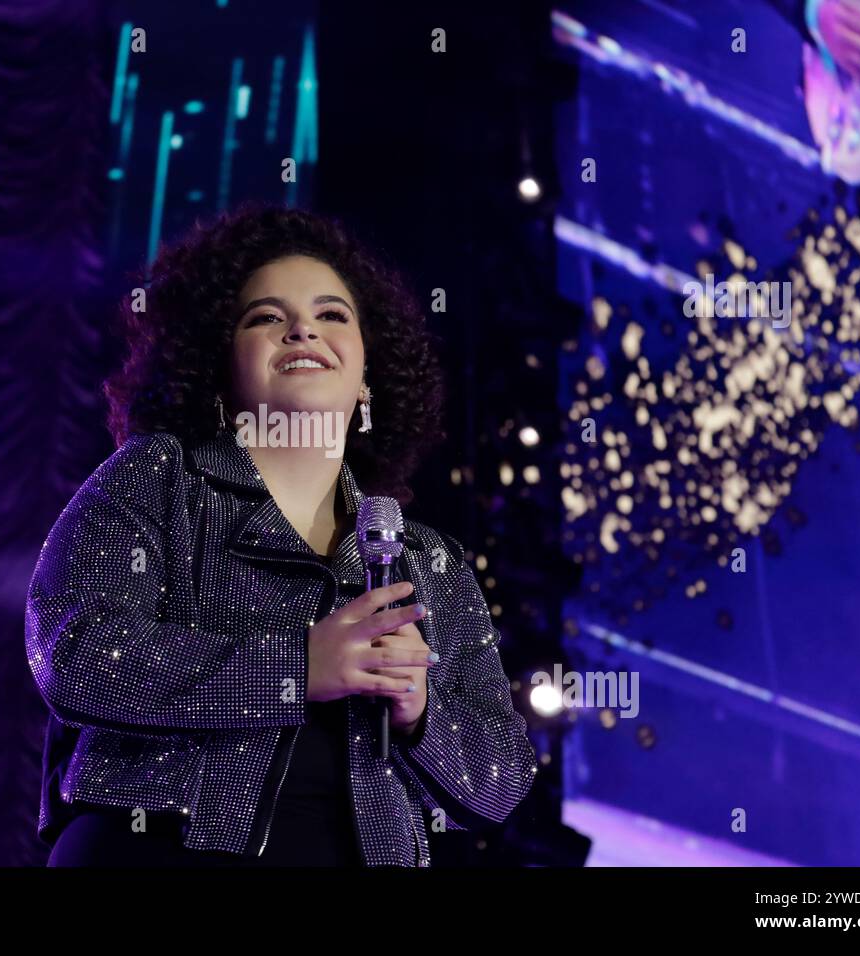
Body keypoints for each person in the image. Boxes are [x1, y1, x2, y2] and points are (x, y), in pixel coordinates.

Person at [27, 202, 536, 867]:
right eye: (266, 317)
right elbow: (76, 650)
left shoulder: (428, 560)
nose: (303, 329)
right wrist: (296, 669)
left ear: (366, 381)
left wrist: (420, 711)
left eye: (332, 315)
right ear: (218, 371)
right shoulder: (158, 480)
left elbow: (503, 776)